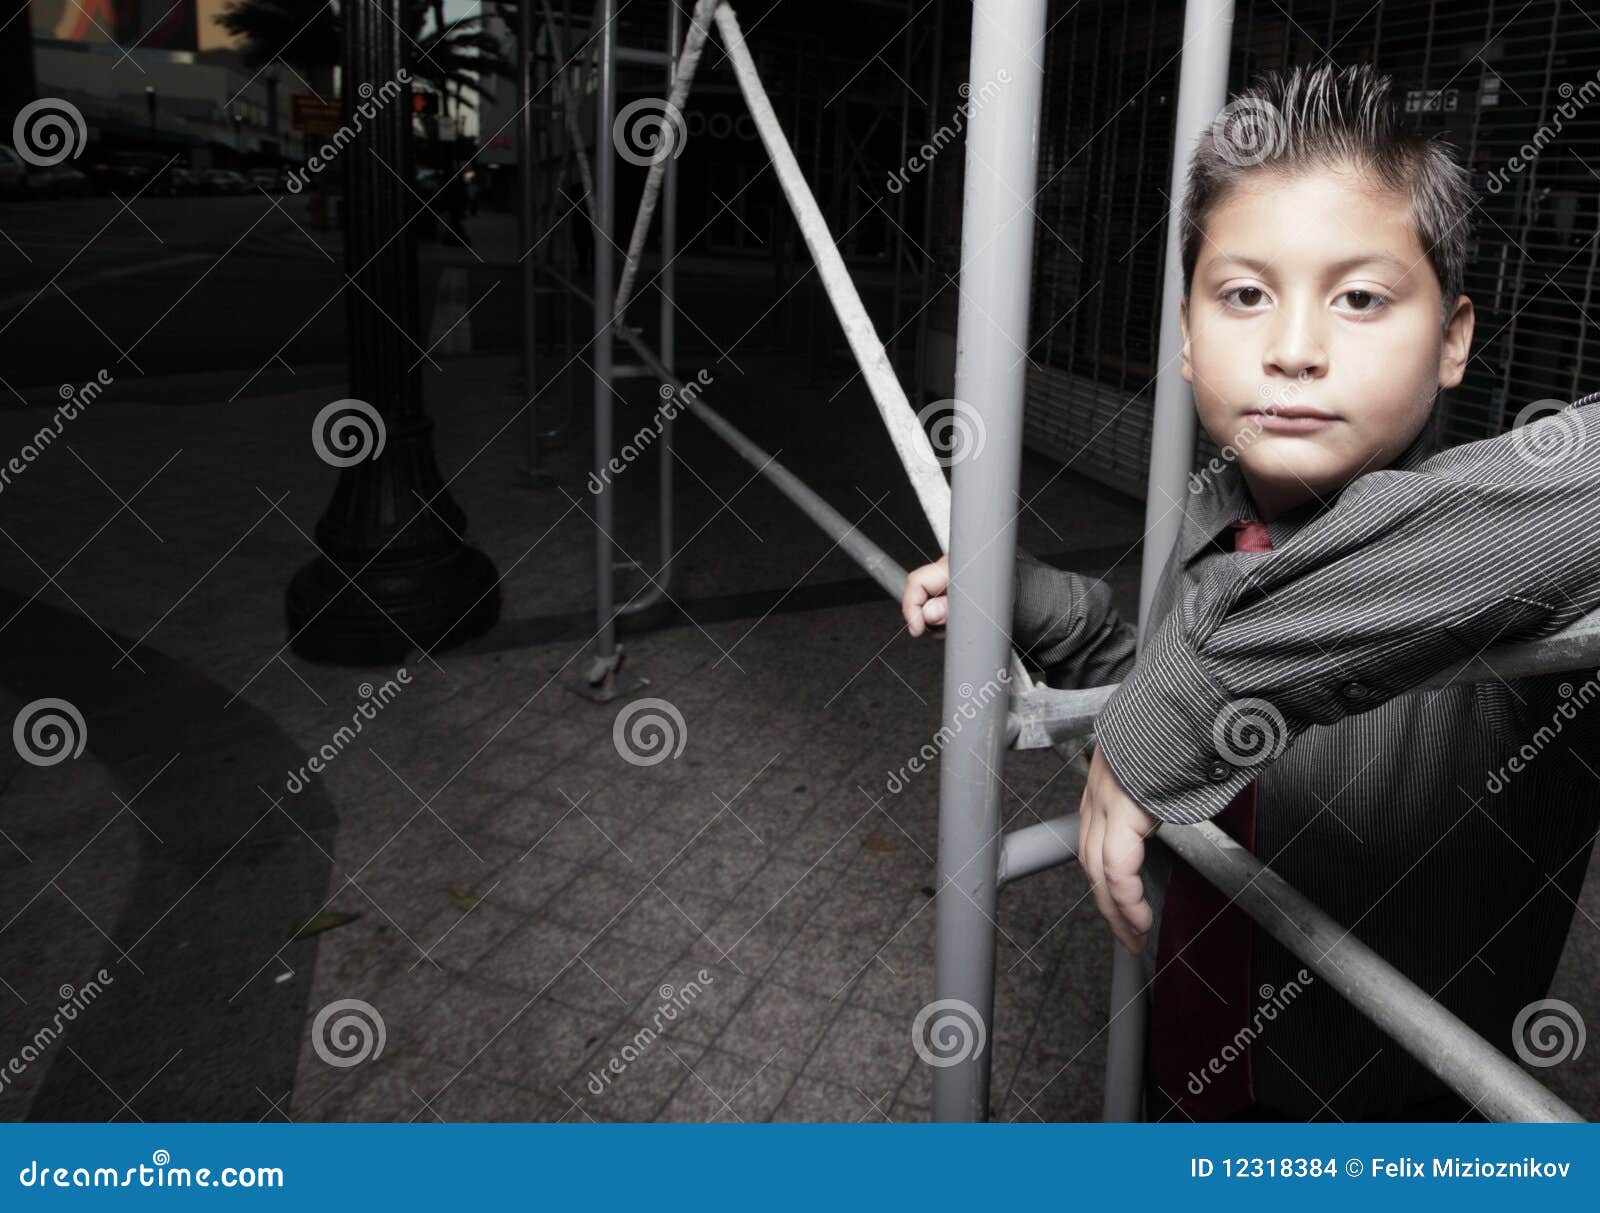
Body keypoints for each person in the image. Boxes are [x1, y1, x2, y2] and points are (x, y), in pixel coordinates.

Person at [901, 61, 1600, 1122]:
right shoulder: (1211, 505)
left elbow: (1188, 694)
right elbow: (1153, 689)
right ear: (1185, 335)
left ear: (1453, 339)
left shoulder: (1510, 558)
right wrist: (1037, 603)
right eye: (1243, 295)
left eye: (1360, 297)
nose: (1292, 349)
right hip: (1176, 1077)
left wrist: (1208, 676)